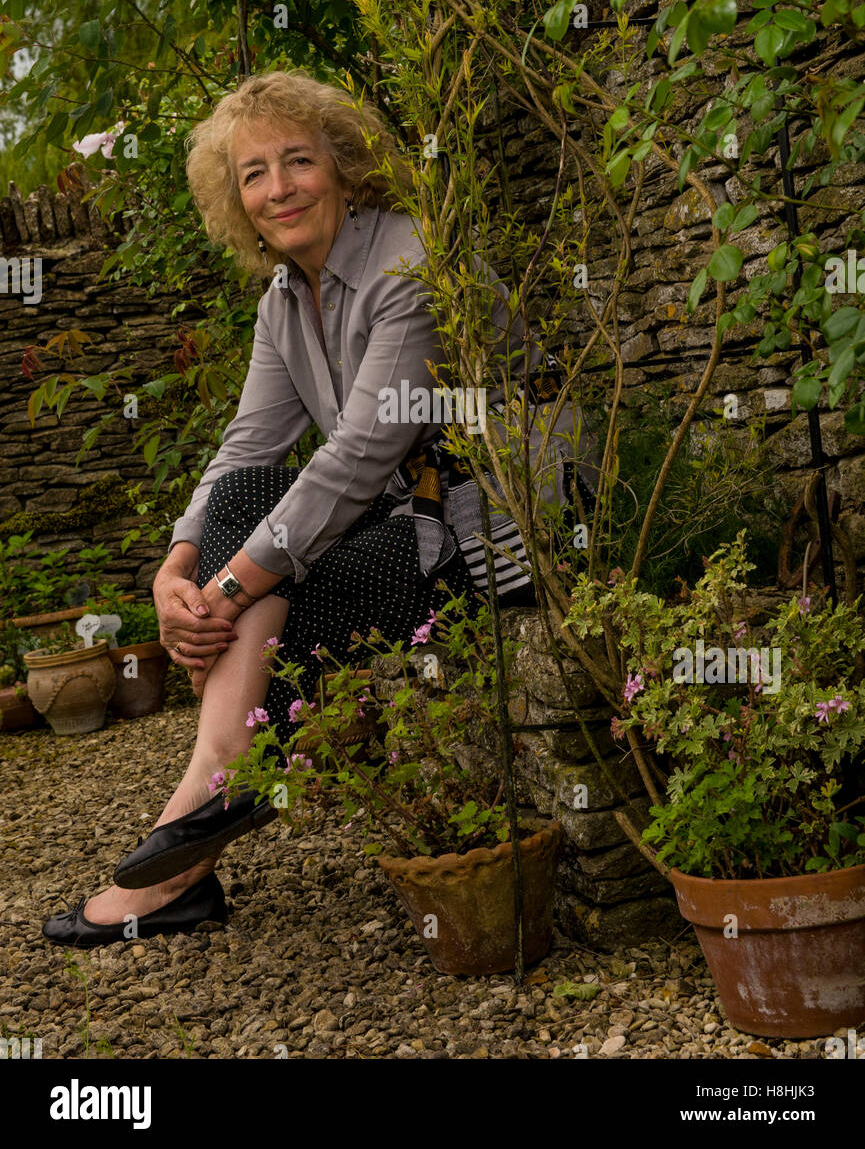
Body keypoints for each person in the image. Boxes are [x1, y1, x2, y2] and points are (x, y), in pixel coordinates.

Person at [42, 70, 595, 948]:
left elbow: (360, 455)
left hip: (494, 534)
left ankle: (205, 801)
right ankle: (215, 792)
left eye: (298, 161)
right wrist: (175, 570)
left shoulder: (411, 261)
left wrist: (220, 599)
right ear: (237, 199)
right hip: (404, 527)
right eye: (254, 172)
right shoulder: (282, 301)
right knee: (243, 501)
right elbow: (247, 450)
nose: (278, 188)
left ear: (344, 167)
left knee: (266, 595)